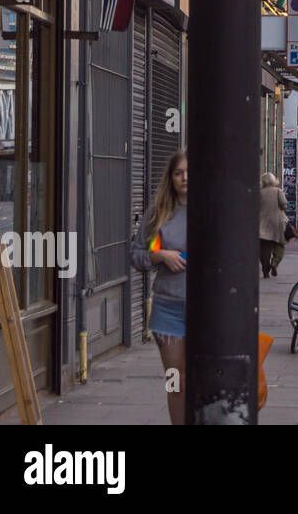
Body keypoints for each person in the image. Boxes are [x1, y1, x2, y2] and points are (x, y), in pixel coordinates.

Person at [131, 149, 189, 425]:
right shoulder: (160, 213)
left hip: (207, 311)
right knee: (175, 380)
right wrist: (160, 256)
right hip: (169, 309)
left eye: (189, 172)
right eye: (178, 173)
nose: (185, 178)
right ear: (171, 178)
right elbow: (136, 255)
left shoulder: (212, 209)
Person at [259, 172, 288, 279]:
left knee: (264, 248)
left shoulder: (259, 193)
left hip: (262, 224)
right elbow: (284, 205)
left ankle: (265, 270)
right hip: (277, 222)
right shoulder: (278, 191)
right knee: (280, 245)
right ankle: (275, 263)